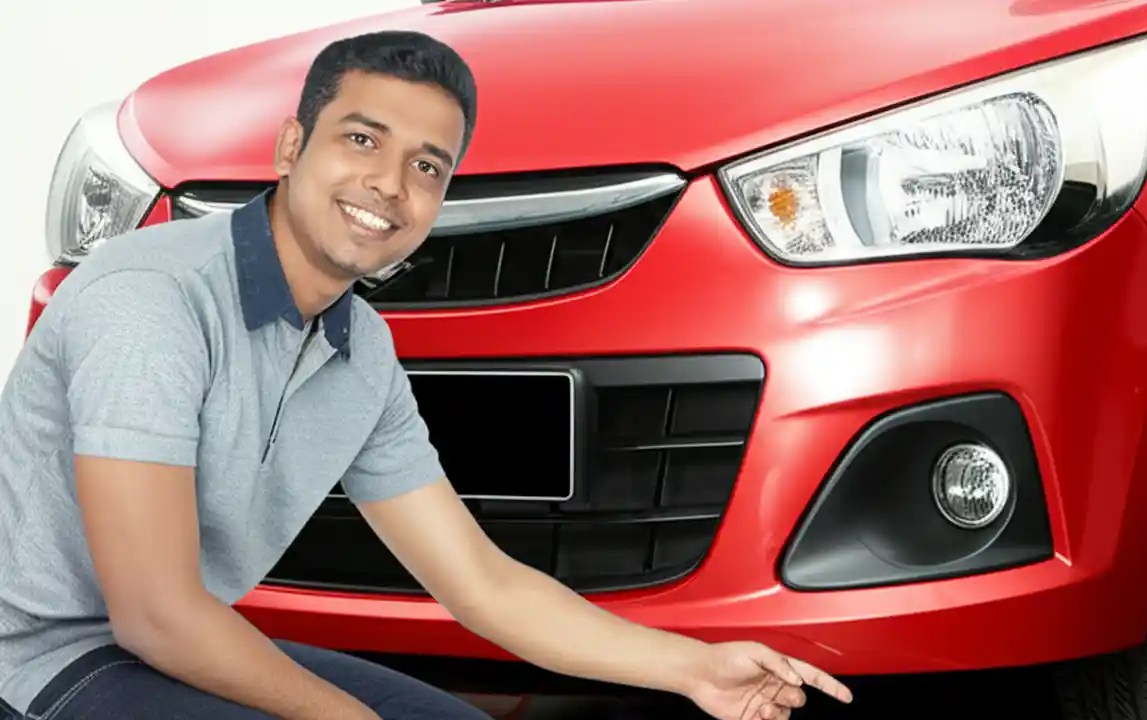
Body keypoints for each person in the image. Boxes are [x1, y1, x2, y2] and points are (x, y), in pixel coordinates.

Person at [0, 30, 853, 720]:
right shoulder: (156, 300)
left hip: (164, 642)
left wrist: (693, 670)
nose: (389, 185)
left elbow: (481, 584)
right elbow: (154, 614)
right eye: (363, 139)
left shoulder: (359, 351)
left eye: (427, 166)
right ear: (293, 145)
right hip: (40, 658)